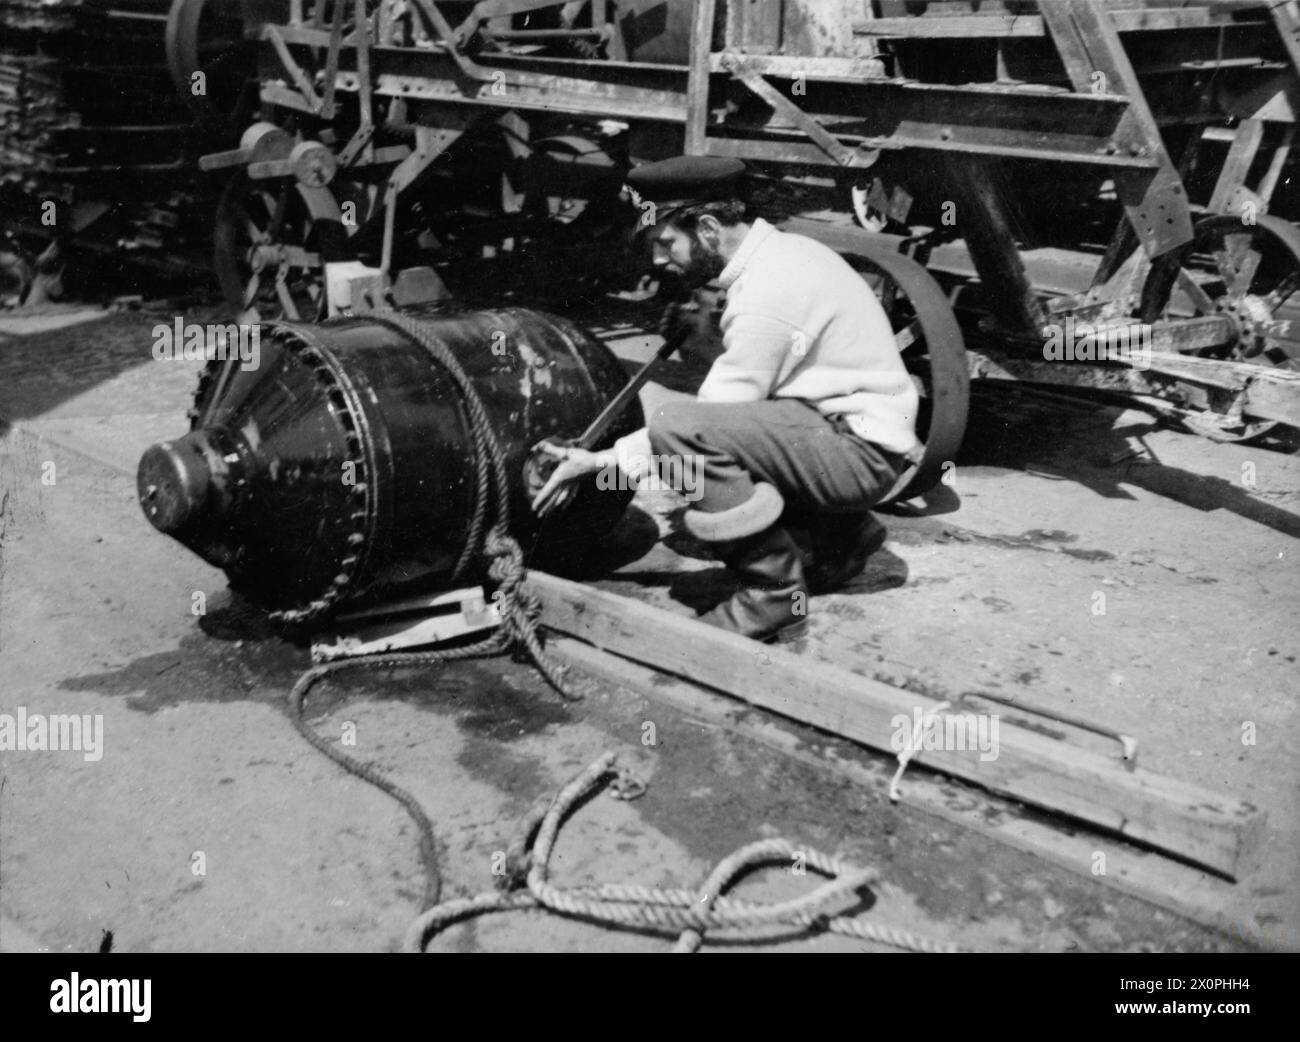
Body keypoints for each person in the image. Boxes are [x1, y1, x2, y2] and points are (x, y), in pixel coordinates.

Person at [532, 156, 919, 643]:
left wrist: (596, 464)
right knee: (719, 433)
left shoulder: (767, 291)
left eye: (666, 242)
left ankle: (773, 595)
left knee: (679, 428)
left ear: (709, 228)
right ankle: (840, 538)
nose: (656, 259)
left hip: (859, 455)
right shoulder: (786, 252)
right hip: (853, 432)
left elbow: (705, 422)